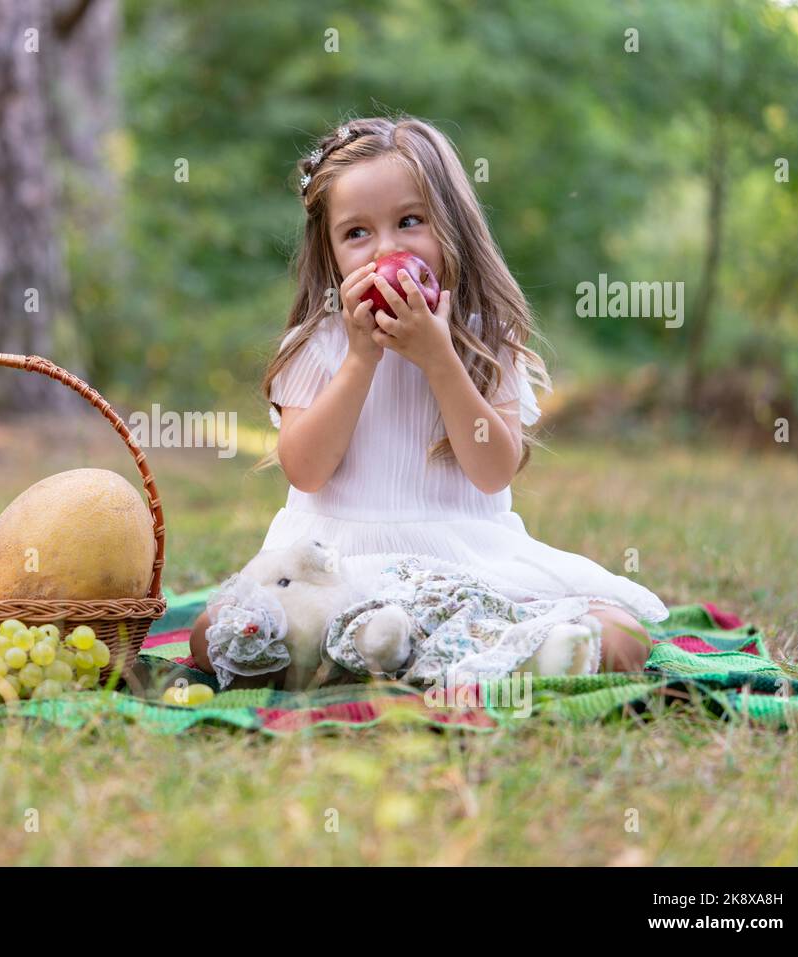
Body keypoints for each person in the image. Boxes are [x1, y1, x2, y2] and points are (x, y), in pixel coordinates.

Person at [189, 114, 667, 680]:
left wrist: (439, 358)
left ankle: (438, 653)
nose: (384, 248)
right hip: (338, 565)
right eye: (357, 233)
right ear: (331, 253)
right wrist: (361, 358)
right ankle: (426, 655)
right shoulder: (318, 345)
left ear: (451, 226)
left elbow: (493, 472)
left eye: (409, 221)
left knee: (622, 637)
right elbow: (306, 470)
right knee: (211, 631)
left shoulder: (484, 338)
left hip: (464, 562)